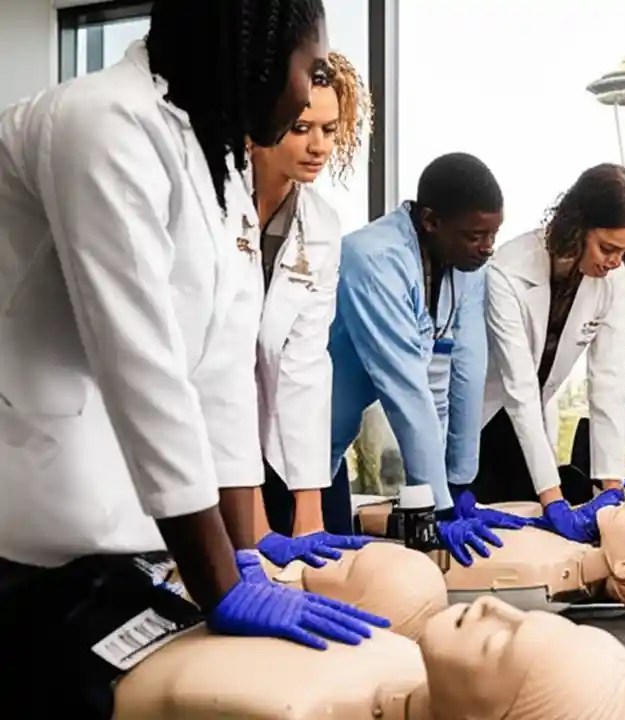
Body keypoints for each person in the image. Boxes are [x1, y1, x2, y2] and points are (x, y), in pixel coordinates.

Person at [0, 1, 386, 716]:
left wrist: (246, 549)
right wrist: (222, 584)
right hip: (28, 491)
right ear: (258, 54)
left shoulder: (221, 163)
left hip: (104, 504)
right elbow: (139, 358)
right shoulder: (103, 121)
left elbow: (221, 365)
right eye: (311, 68)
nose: (309, 93)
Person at [328, 152, 508, 566]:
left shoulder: (464, 265)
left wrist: (459, 479)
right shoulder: (373, 260)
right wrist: (438, 505)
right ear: (430, 221)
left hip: (329, 452)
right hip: (285, 449)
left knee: (341, 578)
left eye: (493, 235)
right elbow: (406, 389)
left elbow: (462, 365)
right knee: (310, 581)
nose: (487, 249)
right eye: (474, 236)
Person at [472, 163, 625, 543]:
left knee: (536, 530)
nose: (615, 262)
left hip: (532, 416)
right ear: (577, 227)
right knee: (499, 528)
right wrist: (553, 499)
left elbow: (609, 382)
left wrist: (611, 488)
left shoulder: (615, 282)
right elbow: (518, 387)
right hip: (481, 416)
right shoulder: (508, 270)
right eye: (607, 247)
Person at [253, 51, 378, 559]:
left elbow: (305, 365)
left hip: (259, 432)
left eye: (329, 129)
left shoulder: (321, 228)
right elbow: (217, 368)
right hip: (180, 422)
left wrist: (309, 513)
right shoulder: (209, 206)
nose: (319, 146)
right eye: (302, 127)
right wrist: (255, 524)